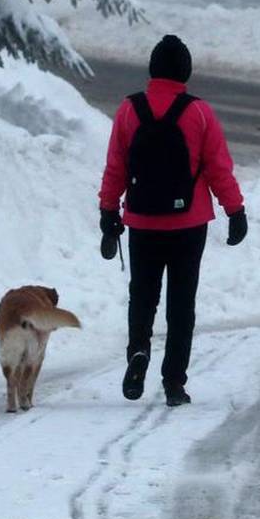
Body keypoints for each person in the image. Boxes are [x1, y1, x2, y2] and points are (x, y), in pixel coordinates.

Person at [98, 34, 246, 407]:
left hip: (143, 221)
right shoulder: (198, 112)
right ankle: (174, 382)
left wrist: (108, 211)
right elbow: (218, 168)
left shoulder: (129, 111)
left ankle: (138, 351)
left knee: (142, 297)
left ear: (152, 69)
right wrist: (235, 211)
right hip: (188, 224)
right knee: (182, 305)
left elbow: (116, 166)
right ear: (186, 72)